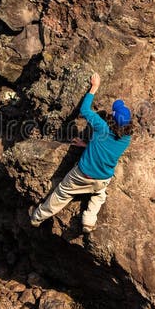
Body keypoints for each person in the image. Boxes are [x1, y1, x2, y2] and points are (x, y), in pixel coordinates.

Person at [30, 72, 133, 233]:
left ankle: (37, 217)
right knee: (99, 196)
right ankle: (89, 220)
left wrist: (94, 87)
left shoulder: (101, 126)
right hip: (102, 179)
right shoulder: (126, 138)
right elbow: (105, 150)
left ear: (112, 117)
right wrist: (86, 144)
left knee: (62, 194)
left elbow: (85, 110)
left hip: (82, 174)